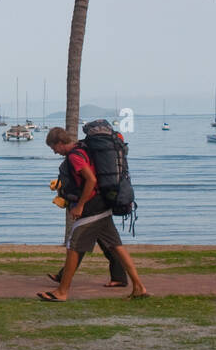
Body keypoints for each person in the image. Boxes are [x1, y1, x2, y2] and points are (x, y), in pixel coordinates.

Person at [38, 127, 148, 302]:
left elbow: (91, 179)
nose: (54, 152)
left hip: (92, 208)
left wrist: (80, 206)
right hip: (103, 203)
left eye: (54, 148)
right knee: (116, 247)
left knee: (73, 247)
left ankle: (62, 292)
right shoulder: (83, 148)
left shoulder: (74, 156)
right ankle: (139, 286)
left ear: (60, 143)